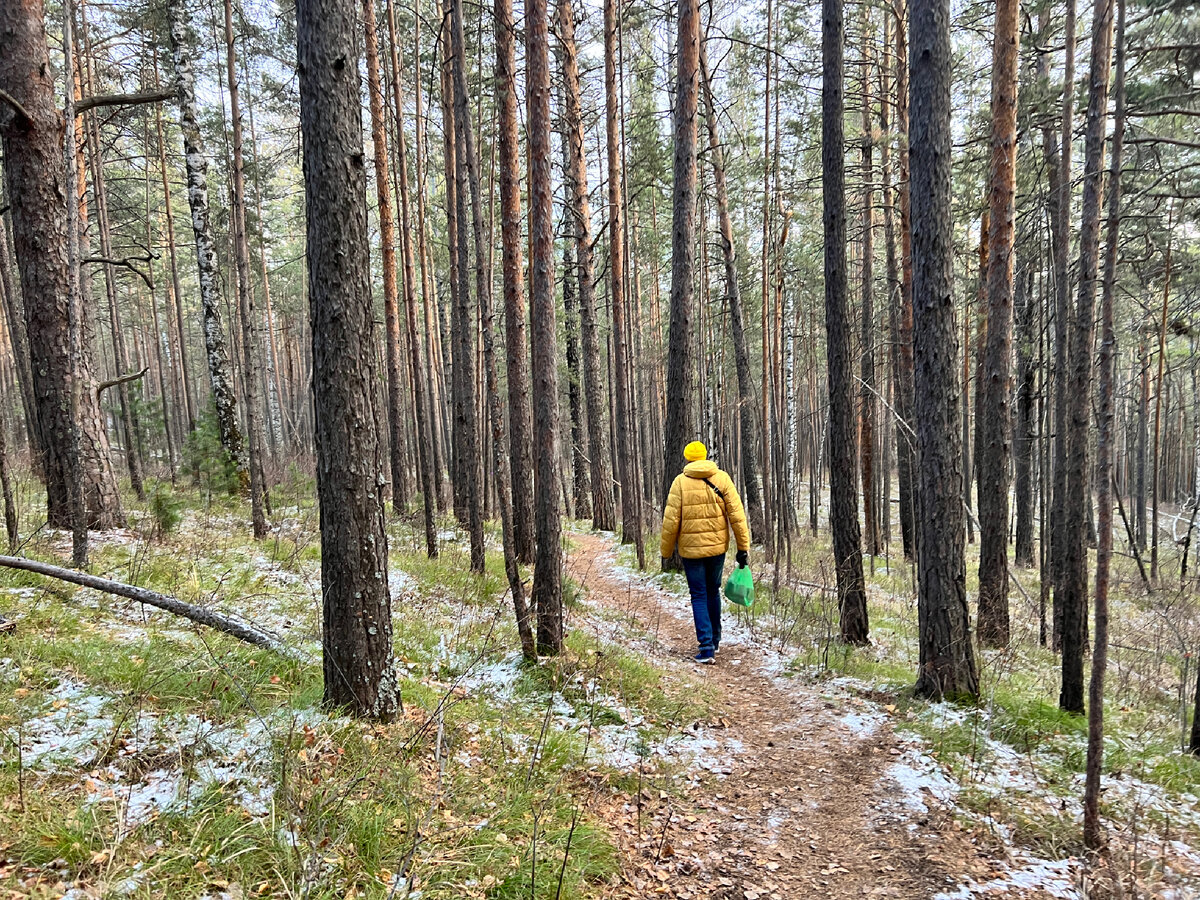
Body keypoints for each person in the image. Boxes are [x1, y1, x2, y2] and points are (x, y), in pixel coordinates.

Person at [660, 441, 751, 664]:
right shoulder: (722, 478)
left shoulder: (680, 483)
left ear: (688, 458)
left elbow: (671, 521)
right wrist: (743, 548)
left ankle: (706, 647)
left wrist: (665, 550)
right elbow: (737, 517)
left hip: (691, 552)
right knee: (713, 591)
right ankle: (716, 640)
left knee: (698, 595)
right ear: (705, 456)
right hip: (717, 548)